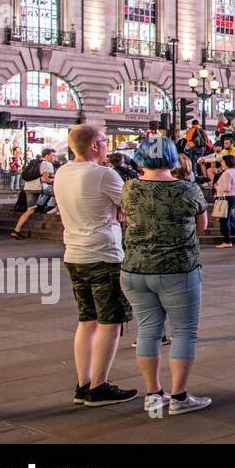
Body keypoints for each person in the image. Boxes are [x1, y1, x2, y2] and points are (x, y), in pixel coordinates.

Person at [119, 134, 212, 415]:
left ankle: (153, 394)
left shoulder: (129, 188)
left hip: (135, 268)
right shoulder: (188, 189)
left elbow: (125, 216)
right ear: (172, 158)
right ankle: (180, 398)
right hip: (178, 268)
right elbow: (203, 226)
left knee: (148, 330)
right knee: (184, 333)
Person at [50, 124, 139, 407]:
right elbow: (131, 205)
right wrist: (118, 211)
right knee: (110, 322)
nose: (107, 146)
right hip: (103, 254)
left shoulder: (62, 172)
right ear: (93, 146)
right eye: (104, 141)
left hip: (74, 253)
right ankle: (99, 386)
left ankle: (83, 383)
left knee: (86, 320)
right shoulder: (103, 174)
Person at [12, 154, 57, 239]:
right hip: (40, 187)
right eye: (52, 155)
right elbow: (44, 179)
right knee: (59, 193)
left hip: (28, 188)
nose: (53, 157)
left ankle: (16, 230)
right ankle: (56, 210)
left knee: (30, 210)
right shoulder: (47, 164)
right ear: (46, 155)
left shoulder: (35, 163)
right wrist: (54, 179)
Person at [212, 153, 235, 249]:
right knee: (227, 218)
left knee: (224, 220)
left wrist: (216, 186)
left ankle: (227, 241)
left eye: (222, 161)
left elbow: (226, 188)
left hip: (228, 197)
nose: (221, 162)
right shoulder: (233, 172)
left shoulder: (227, 173)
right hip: (234, 197)